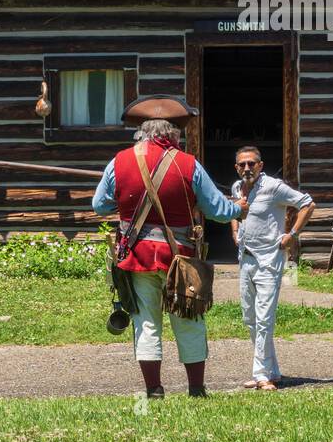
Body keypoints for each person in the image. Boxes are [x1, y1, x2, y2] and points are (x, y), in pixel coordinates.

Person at [92, 95, 246, 398]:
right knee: (189, 322)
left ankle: (153, 391)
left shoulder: (119, 161)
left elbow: (99, 205)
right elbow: (217, 209)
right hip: (181, 259)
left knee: (146, 324)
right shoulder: (189, 164)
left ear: (142, 132)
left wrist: (124, 197)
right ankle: (196, 390)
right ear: (173, 133)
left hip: (135, 257)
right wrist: (239, 208)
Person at [230, 145, 315, 391]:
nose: (247, 168)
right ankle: (272, 370)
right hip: (246, 258)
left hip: (270, 258)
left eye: (252, 164)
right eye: (242, 164)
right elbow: (235, 211)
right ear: (237, 168)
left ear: (260, 165)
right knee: (250, 318)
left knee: (264, 317)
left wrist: (292, 234)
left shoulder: (274, 187)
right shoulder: (237, 187)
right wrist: (235, 230)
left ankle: (261, 375)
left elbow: (307, 204)